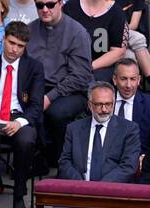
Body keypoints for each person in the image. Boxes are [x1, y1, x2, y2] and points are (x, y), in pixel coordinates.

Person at [50, 82, 140, 208]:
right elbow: (64, 161)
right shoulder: (74, 128)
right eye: (99, 104)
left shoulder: (129, 129)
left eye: (109, 104)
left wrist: (100, 187)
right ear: (89, 105)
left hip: (110, 193)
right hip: (80, 191)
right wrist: (82, 185)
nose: (104, 109)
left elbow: (128, 166)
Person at [0, 21, 43, 208]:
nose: (15, 49)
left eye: (20, 46)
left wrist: (19, 122)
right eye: (11, 43)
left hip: (18, 116)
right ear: (3, 39)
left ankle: (18, 195)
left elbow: (36, 105)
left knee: (26, 140)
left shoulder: (34, 67)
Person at [28, 0, 94, 168]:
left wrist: (50, 97)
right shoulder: (30, 29)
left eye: (50, 4)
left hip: (72, 90)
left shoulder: (77, 32)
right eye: (39, 5)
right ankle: (36, 159)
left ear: (60, 3)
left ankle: (61, 160)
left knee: (55, 113)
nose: (44, 9)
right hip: (37, 87)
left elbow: (80, 76)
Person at [113, 57, 150, 155]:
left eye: (132, 79)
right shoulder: (104, 101)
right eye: (123, 79)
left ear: (139, 80)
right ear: (115, 80)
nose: (128, 85)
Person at [65, 0, 128, 82]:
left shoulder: (116, 12)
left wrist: (88, 67)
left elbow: (118, 52)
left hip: (99, 67)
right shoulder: (70, 6)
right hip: (70, 64)